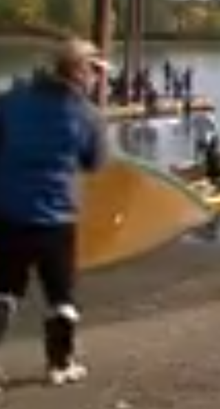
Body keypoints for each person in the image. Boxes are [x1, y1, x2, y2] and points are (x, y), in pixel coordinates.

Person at [0, 38, 110, 387]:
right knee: (60, 296)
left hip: (7, 210)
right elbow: (94, 163)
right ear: (80, 72)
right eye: (94, 71)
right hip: (55, 217)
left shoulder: (11, 100)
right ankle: (59, 365)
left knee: (4, 290)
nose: (97, 78)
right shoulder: (86, 115)